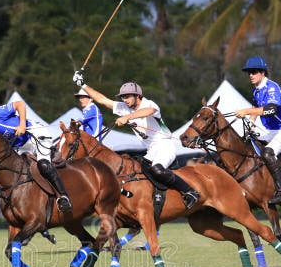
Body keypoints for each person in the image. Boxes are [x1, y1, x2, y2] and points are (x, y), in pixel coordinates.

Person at [72, 73, 200, 209]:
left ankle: (190, 192)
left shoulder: (149, 103)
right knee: (134, 171)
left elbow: (149, 110)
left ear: (137, 95)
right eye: (122, 97)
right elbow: (102, 100)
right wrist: (82, 85)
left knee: (157, 169)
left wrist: (127, 117)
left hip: (165, 146)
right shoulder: (124, 107)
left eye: (127, 96)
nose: (124, 100)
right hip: (150, 150)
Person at [0, 100, 73, 212]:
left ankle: (63, 197)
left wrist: (22, 124)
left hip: (35, 136)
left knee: (43, 165)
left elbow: (20, 104)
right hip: (19, 146)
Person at [233, 56, 281, 207]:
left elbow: (271, 110)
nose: (251, 75)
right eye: (249, 73)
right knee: (248, 145)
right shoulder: (256, 91)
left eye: (254, 72)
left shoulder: (272, 87)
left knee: (267, 153)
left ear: (262, 73)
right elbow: (255, 110)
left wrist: (246, 111)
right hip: (269, 131)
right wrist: (250, 125)